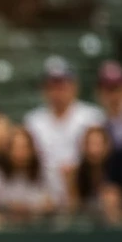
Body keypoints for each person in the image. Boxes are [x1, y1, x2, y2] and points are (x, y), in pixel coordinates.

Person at [23, 57, 105, 196]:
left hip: (85, 192)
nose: (58, 92)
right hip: (43, 194)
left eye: (62, 85)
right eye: (52, 86)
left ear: (74, 86)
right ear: (44, 89)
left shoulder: (93, 117)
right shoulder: (33, 120)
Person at [0, 126, 57, 227]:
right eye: (15, 148)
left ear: (32, 150)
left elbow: (56, 206)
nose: (20, 153)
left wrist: (32, 208)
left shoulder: (47, 175)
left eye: (24, 148)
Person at [69, 125, 113, 214]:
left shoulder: (116, 171)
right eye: (89, 144)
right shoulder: (76, 173)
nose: (93, 150)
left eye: (98, 144)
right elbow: (73, 208)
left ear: (106, 146)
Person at [95, 60, 122, 150]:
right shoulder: (91, 121)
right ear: (99, 93)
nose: (114, 96)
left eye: (118, 89)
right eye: (109, 90)